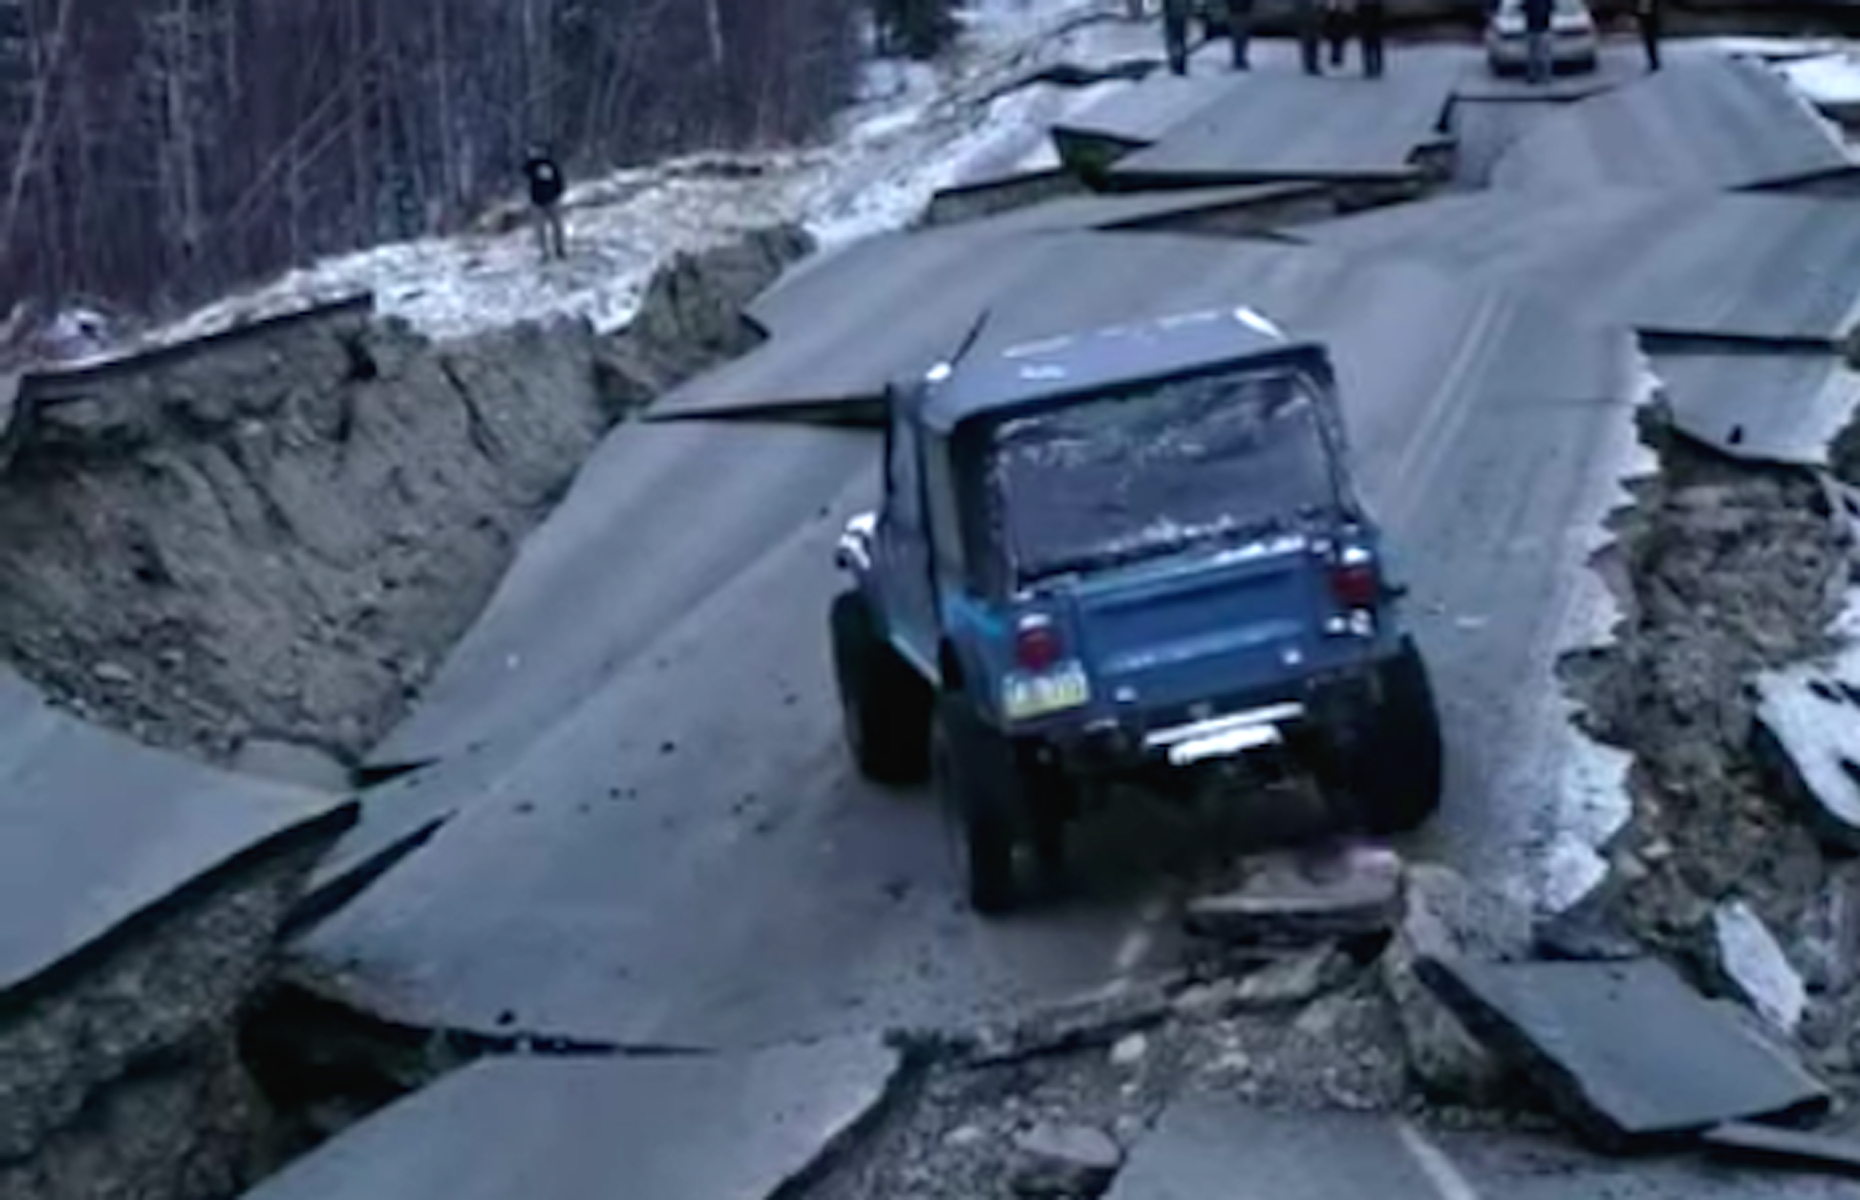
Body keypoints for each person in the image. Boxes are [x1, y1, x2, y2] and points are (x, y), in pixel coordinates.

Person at [523, 144, 567, 261]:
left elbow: (559, 179)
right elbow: (524, 171)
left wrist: (558, 193)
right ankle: (544, 252)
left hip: (552, 199)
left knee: (557, 226)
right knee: (540, 229)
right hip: (537, 201)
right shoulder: (531, 166)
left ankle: (560, 249)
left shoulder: (551, 164)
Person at [1522, 0, 1553, 84]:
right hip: (1542, 28)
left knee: (1534, 54)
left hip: (1535, 28)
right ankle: (1543, 75)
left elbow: (1523, 8)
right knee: (1542, 54)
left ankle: (1535, 75)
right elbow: (1552, 8)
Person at [1293, 0, 1324, 74]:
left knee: (1310, 47)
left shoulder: (1304, 7)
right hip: (1310, 29)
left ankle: (1310, 64)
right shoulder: (1307, 7)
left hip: (1310, 29)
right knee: (1310, 47)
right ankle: (1311, 65)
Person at [1161, 0, 1192, 75]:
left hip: (1174, 15)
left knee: (1174, 41)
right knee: (1179, 41)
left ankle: (1176, 64)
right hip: (1179, 14)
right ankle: (1179, 64)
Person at [1358, 0, 1386, 77]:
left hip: (1367, 28)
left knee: (1368, 48)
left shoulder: (1362, 6)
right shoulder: (1377, 5)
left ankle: (1369, 67)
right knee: (1375, 48)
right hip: (1374, 28)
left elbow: (1358, 17)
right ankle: (1377, 67)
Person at [1323, 0, 1353, 70]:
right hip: (1336, 33)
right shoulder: (1338, 14)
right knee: (1337, 47)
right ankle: (1336, 59)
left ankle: (1336, 59)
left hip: (1338, 33)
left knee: (1337, 47)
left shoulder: (1334, 14)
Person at [1224, 0, 1254, 69]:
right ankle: (1240, 59)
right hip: (1243, 14)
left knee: (1237, 39)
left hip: (1235, 13)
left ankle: (1238, 59)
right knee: (1242, 39)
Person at [1635, 0, 1662, 71]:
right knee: (1648, 41)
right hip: (1645, 17)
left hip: (1650, 17)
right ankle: (1653, 61)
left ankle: (1654, 61)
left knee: (1650, 40)